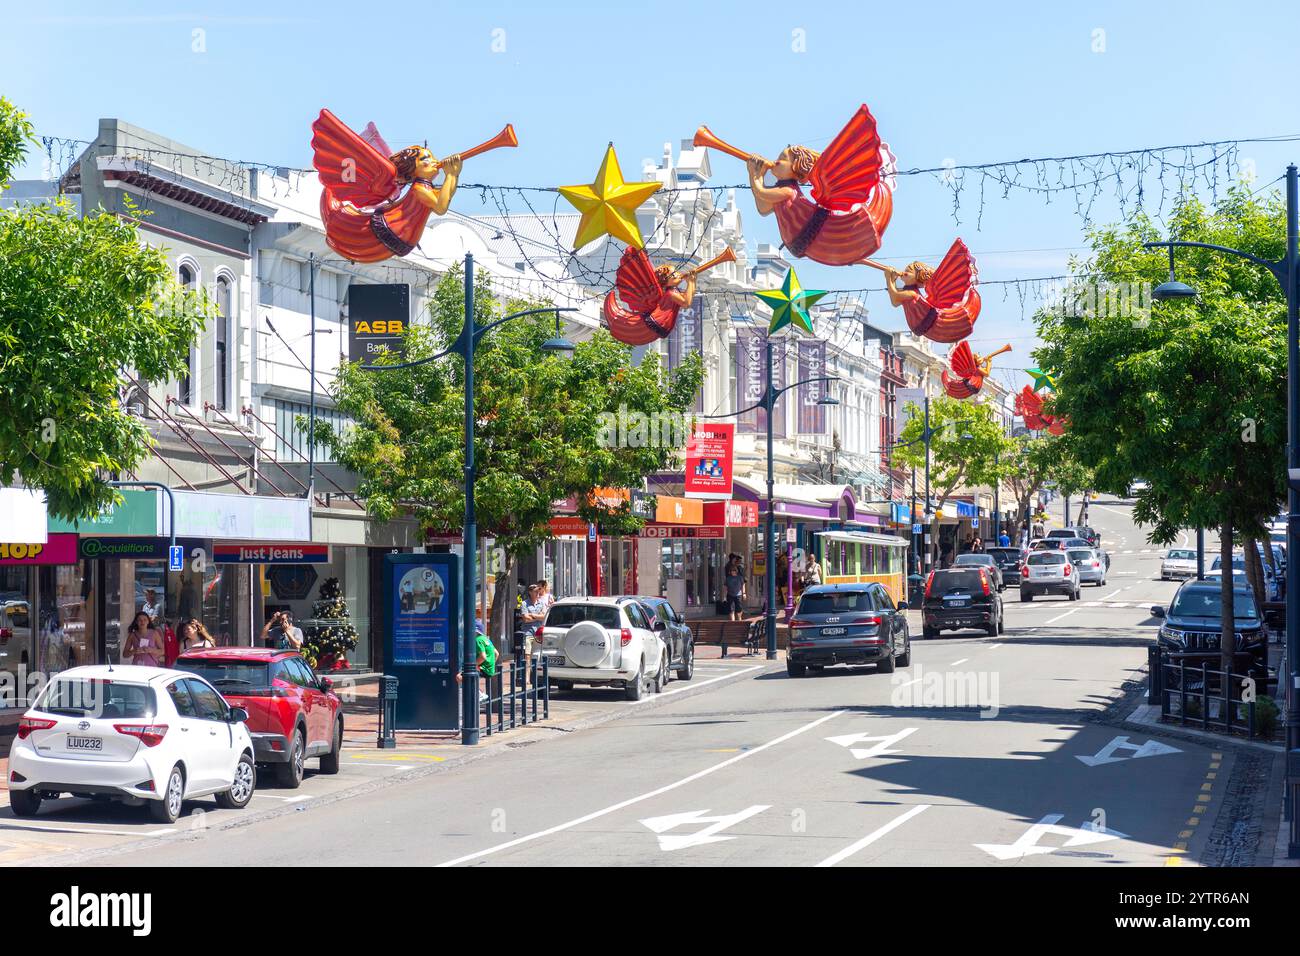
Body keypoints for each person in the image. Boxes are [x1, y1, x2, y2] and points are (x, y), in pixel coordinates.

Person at [456, 619, 497, 705]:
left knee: (459, 677)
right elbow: (497, 653)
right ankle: (478, 692)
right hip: (490, 669)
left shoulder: (477, 640)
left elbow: (483, 656)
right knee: (469, 676)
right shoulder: (486, 639)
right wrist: (491, 665)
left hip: (484, 669)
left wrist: (475, 665)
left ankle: (479, 693)